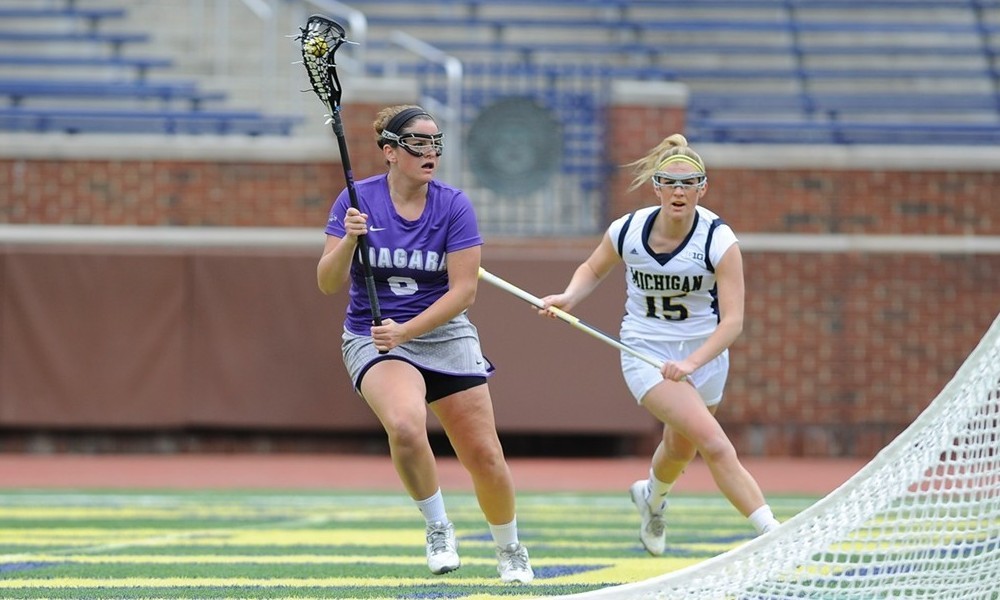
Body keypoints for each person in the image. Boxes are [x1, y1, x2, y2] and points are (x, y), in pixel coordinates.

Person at [316, 105, 534, 583]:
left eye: (435, 142)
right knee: (406, 426)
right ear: (390, 152)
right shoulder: (356, 200)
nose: (430, 151)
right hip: (373, 337)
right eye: (418, 142)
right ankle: (438, 527)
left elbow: (464, 292)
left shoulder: (453, 204)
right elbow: (327, 283)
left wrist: (408, 331)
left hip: (444, 334)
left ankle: (510, 547)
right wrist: (349, 241)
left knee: (484, 455)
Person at [539, 133, 780, 556]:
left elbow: (734, 321)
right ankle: (773, 534)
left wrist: (692, 363)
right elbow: (593, 269)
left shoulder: (719, 241)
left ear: (703, 188)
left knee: (678, 447)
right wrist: (568, 297)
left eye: (689, 184)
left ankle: (651, 497)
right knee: (716, 443)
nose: (679, 192)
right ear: (657, 185)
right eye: (670, 182)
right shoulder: (628, 229)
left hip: (704, 355)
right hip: (645, 351)